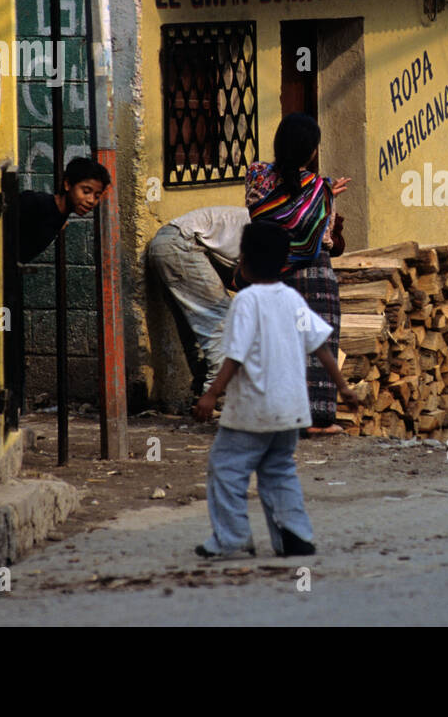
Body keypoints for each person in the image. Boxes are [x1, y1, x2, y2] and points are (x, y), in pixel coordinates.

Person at [191, 221, 358, 559]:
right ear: (284, 263)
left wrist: (211, 394)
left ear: (243, 261)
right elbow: (321, 346)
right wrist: (343, 387)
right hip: (292, 410)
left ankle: (232, 539)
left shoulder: (246, 302)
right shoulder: (292, 299)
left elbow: (235, 356)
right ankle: (294, 537)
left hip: (252, 411)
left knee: (226, 469)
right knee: (279, 472)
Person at [245, 113, 351, 435]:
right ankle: (316, 421)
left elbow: (263, 214)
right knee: (317, 345)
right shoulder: (320, 190)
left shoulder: (257, 176)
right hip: (315, 275)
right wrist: (328, 194)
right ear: (312, 151)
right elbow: (329, 243)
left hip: (271, 271)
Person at [147, 206, 252, 396]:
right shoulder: (275, 234)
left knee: (194, 326)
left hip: (167, 241)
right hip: (182, 242)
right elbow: (246, 278)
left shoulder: (270, 219)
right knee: (222, 320)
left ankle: (202, 388)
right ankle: (219, 393)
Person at [17, 156, 110, 263]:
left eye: (97, 196)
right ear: (67, 184)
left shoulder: (59, 219)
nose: (91, 200)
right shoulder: (34, 203)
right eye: (86, 191)